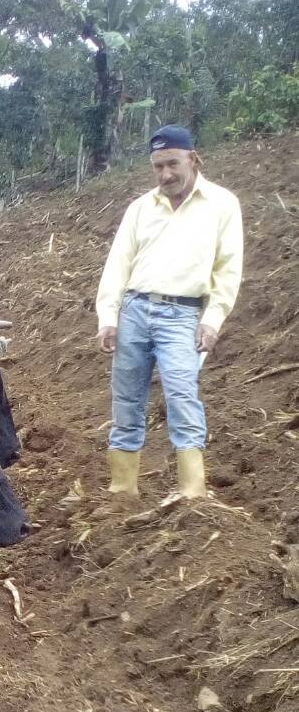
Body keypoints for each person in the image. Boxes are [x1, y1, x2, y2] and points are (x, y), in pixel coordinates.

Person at [95, 124, 243, 499]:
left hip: (183, 315)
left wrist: (213, 319)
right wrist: (108, 318)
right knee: (126, 399)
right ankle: (122, 489)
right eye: (158, 167)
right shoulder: (141, 208)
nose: (165, 175)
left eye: (172, 164)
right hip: (135, 311)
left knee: (181, 396)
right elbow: (118, 265)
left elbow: (228, 269)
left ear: (193, 159)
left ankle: (193, 493)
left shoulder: (222, 204)